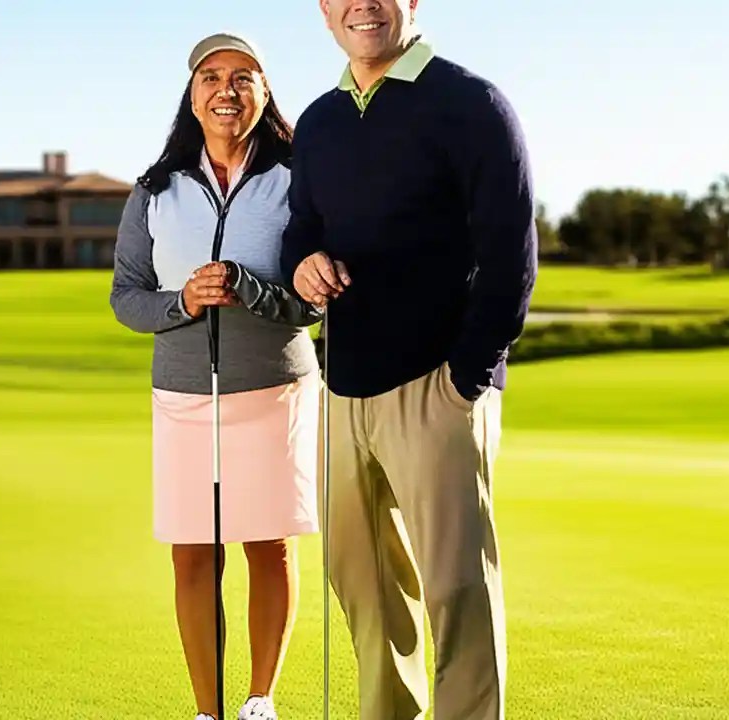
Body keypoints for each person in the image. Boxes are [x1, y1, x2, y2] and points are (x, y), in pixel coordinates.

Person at [280, 2, 538, 719]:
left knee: (458, 589)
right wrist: (304, 263)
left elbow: (511, 257)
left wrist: (465, 380)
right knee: (361, 586)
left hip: (438, 388)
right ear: (325, 10)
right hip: (344, 386)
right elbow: (302, 228)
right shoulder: (321, 120)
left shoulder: (472, 104)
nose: (363, 4)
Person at [109, 31, 323, 720]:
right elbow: (126, 297)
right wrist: (184, 302)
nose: (226, 90)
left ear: (264, 93)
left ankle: (261, 701)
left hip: (274, 388)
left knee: (268, 545)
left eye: (243, 76)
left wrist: (245, 288)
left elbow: (315, 300)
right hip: (180, 396)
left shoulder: (302, 180)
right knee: (192, 554)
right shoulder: (155, 190)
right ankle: (209, 711)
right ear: (192, 95)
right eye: (211, 76)